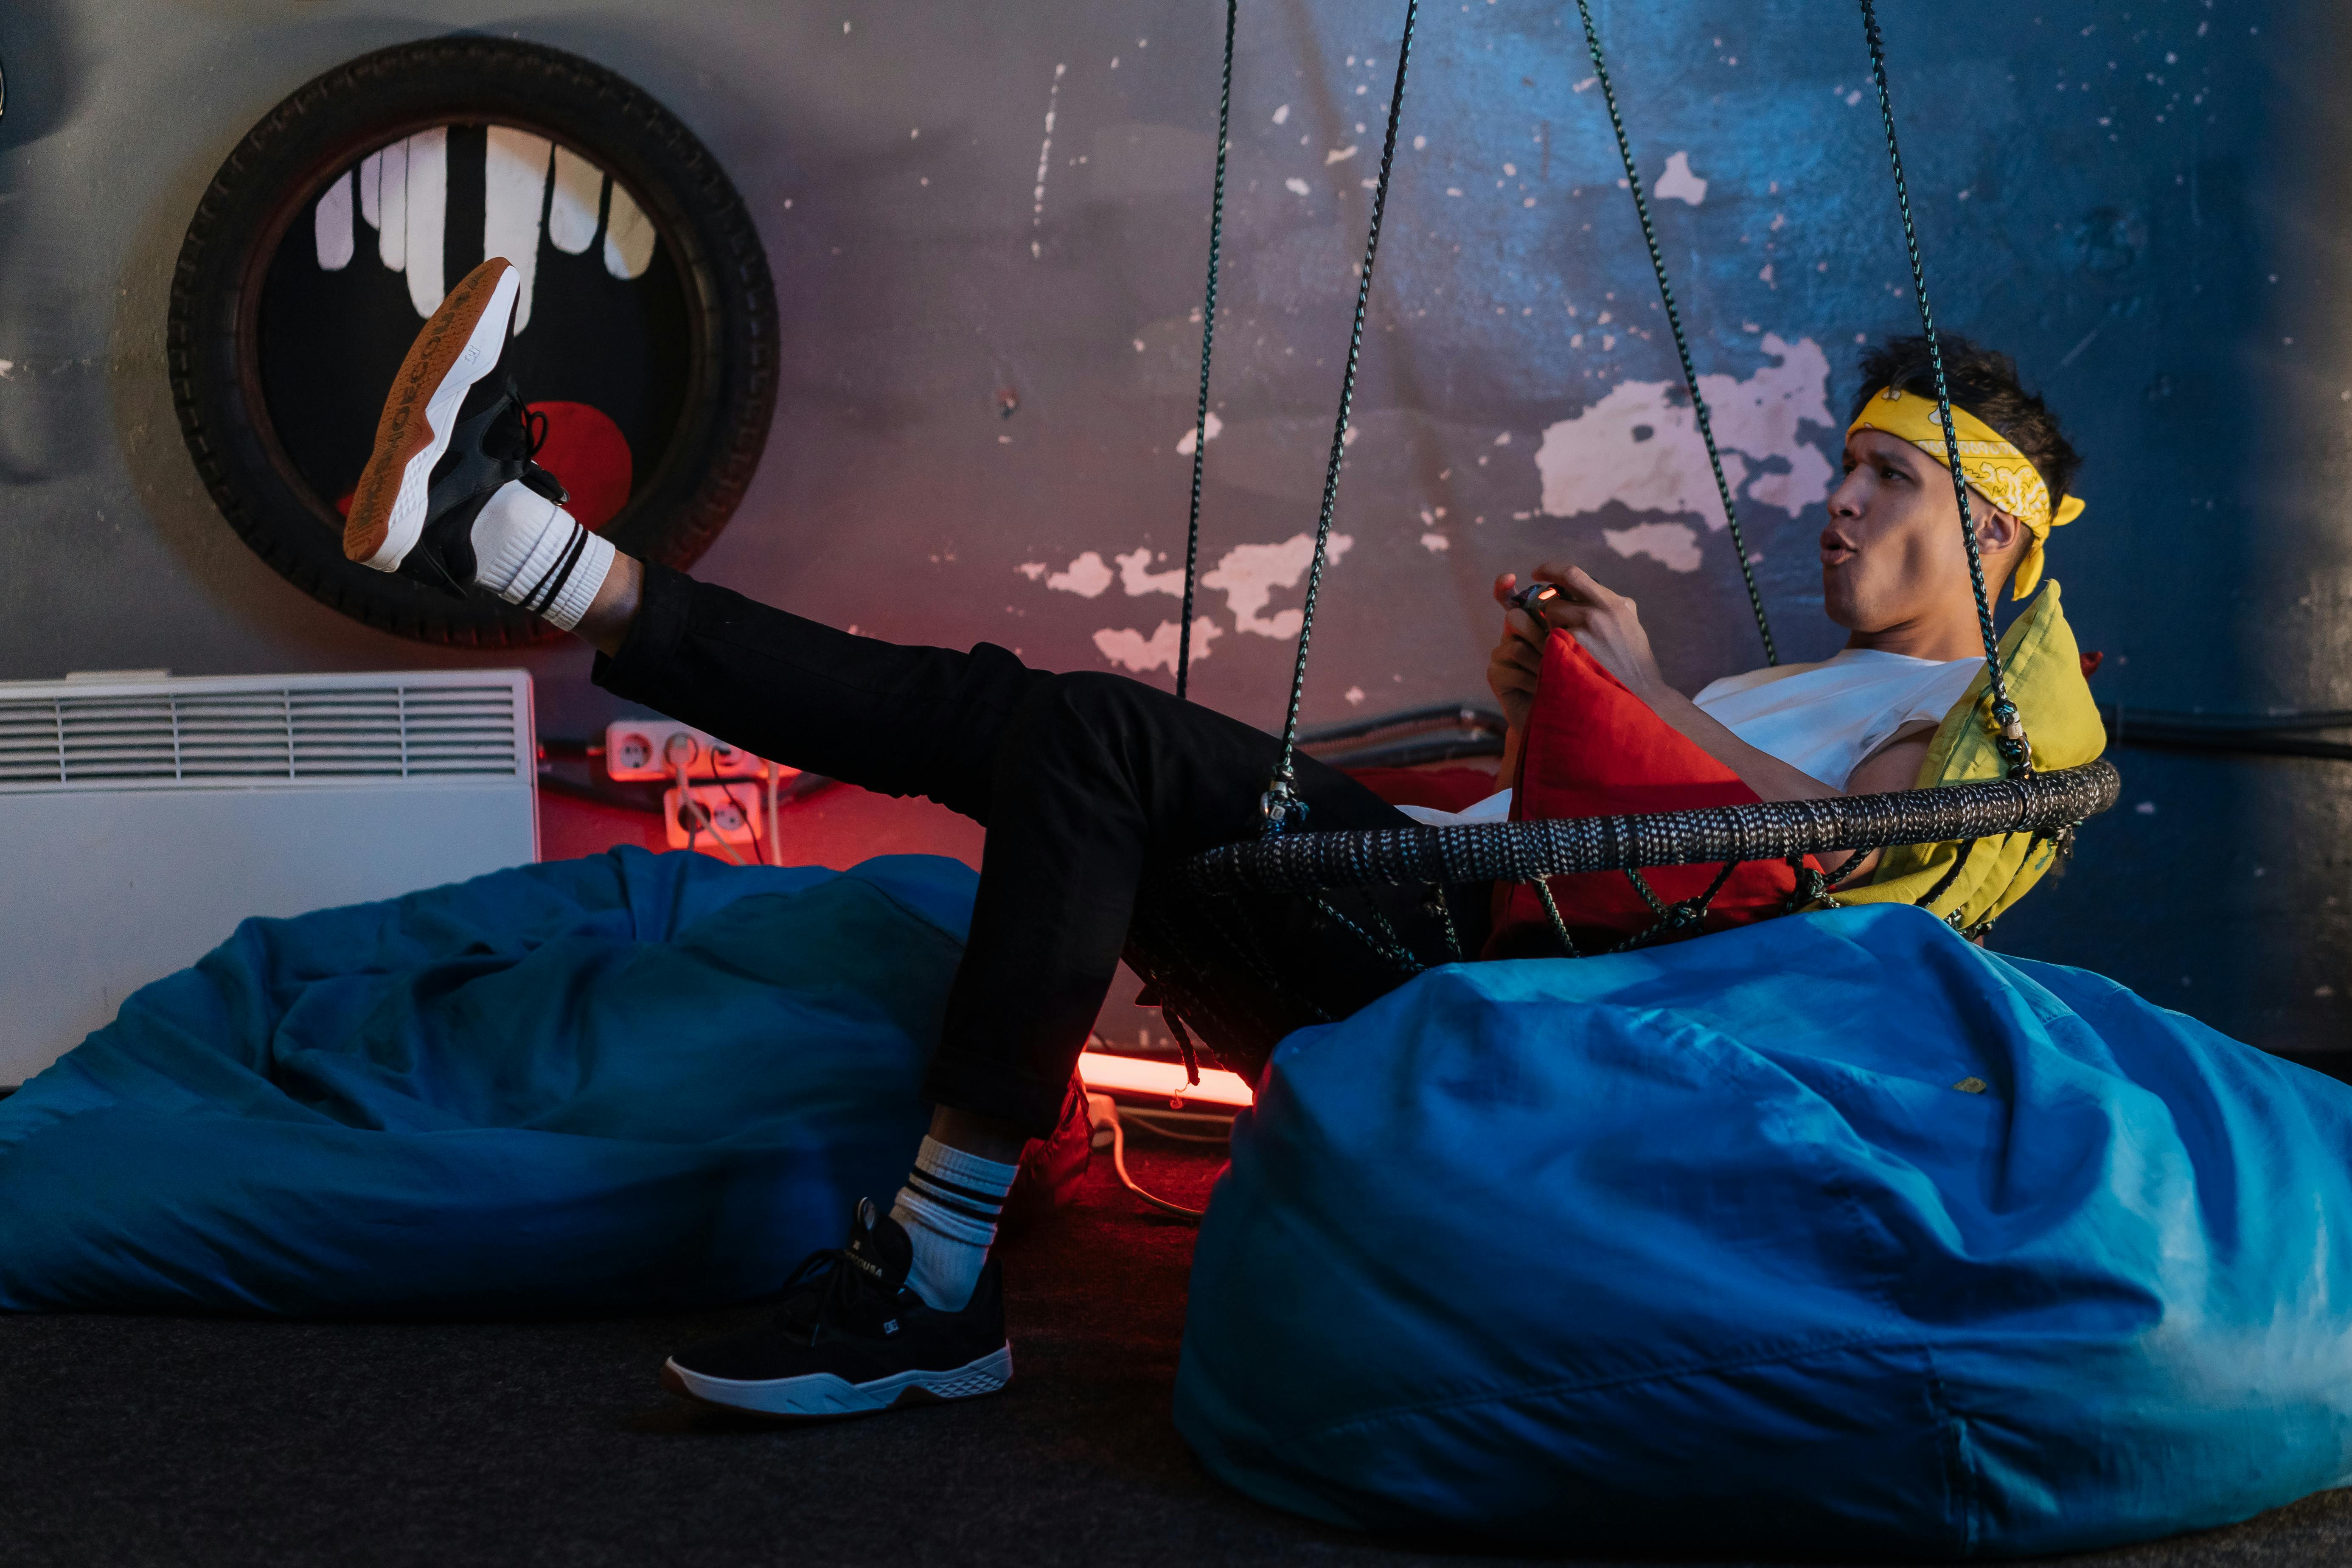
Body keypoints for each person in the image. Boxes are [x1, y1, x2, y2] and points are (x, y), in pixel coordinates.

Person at [344, 257, 2081, 1419]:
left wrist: (1638, 691)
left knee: (1073, 734)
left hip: (1459, 966)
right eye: (1845, 466)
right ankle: (534, 555)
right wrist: (1556, 707)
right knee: (1022, 728)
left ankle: (931, 1279)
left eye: (1891, 477)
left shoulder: (1934, 726)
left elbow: (1843, 868)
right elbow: (1652, 809)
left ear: (2001, 540)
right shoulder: (1805, 676)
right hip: (1421, 896)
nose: (1839, 500)